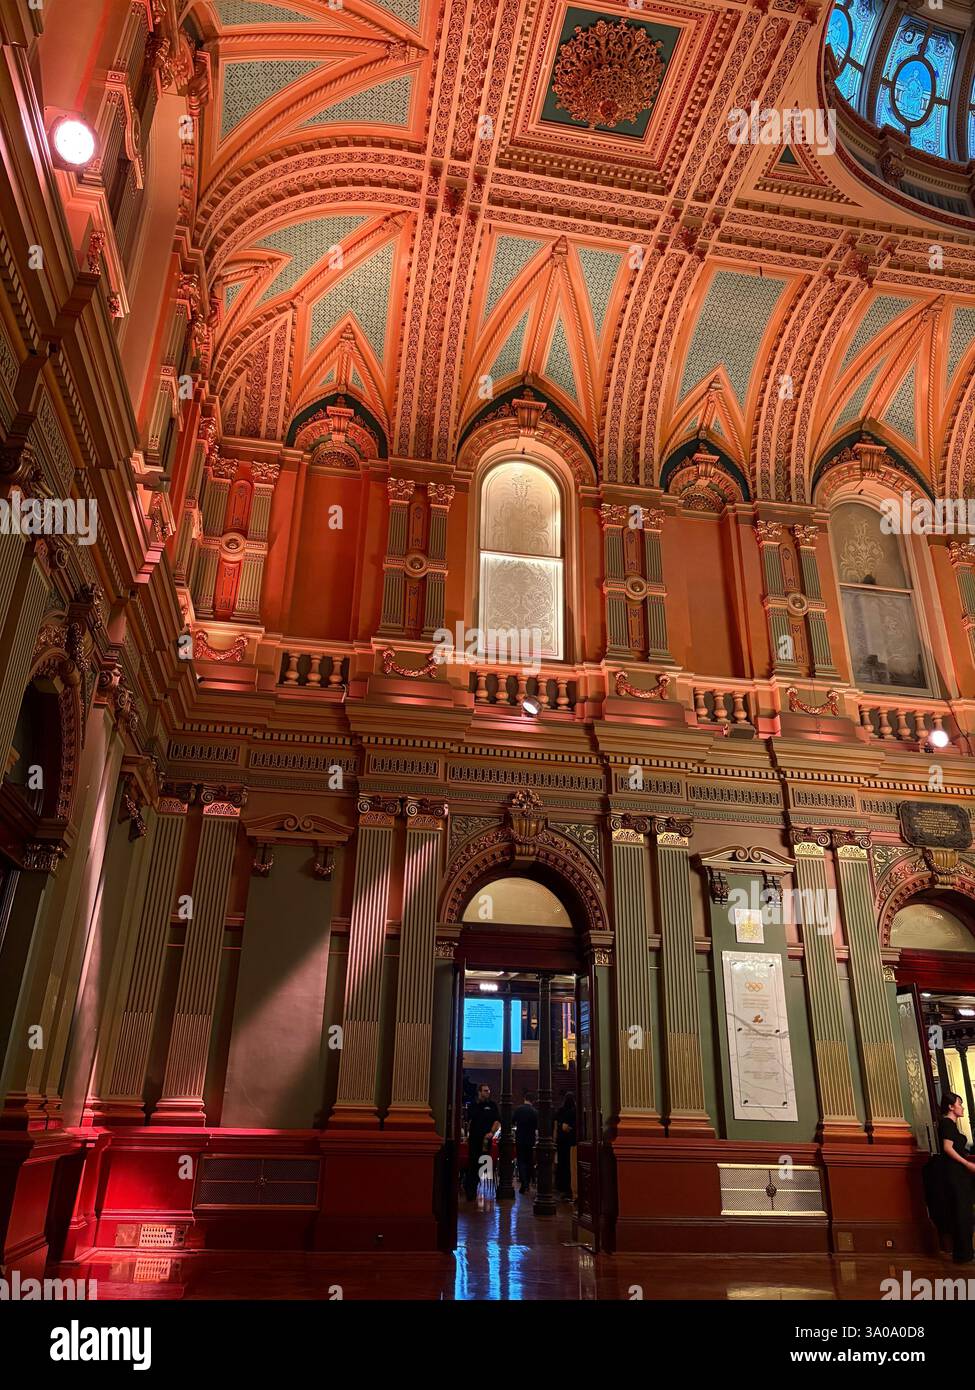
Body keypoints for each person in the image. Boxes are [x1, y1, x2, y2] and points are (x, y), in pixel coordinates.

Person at [938, 1092, 975, 1263]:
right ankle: (963, 1254)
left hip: (959, 1173)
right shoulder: (947, 1124)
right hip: (955, 1173)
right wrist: (966, 1164)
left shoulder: (951, 1125)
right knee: (961, 1212)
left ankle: (967, 1251)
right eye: (959, 1103)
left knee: (964, 1211)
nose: (962, 1107)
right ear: (950, 1107)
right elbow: (947, 1148)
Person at [464, 1084, 500, 1201]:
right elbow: (469, 1122)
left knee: (482, 1165)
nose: (488, 1092)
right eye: (485, 1091)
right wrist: (467, 1135)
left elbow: (497, 1121)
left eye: (488, 1090)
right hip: (474, 1140)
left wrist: (491, 1133)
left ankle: (471, 1184)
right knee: (473, 1164)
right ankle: (471, 1190)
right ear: (479, 1092)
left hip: (486, 1140)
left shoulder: (492, 1105)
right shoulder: (473, 1106)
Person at [512, 1091, 538, 1194]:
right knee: (529, 1161)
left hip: (520, 1138)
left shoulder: (518, 1109)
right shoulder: (535, 1112)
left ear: (525, 1099)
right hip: (530, 1139)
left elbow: (512, 1121)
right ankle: (530, 1181)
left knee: (521, 1161)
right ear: (533, 1101)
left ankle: (524, 1183)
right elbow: (537, 1126)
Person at [554, 1090, 576, 1201]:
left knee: (562, 1164)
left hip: (561, 1142)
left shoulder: (561, 1111)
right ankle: (570, 1188)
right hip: (572, 1141)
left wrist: (554, 1139)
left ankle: (563, 1187)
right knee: (571, 1166)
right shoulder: (575, 1111)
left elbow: (560, 1127)